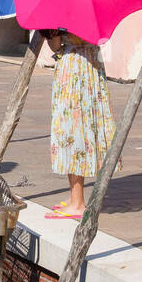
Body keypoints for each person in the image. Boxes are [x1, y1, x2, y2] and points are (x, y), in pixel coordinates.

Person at [47, 30, 117, 219]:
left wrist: (48, 32)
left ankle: (77, 202)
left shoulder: (62, 10)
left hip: (72, 69)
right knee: (85, 129)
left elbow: (55, 45)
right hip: (92, 64)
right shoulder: (93, 8)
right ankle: (74, 197)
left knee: (72, 132)